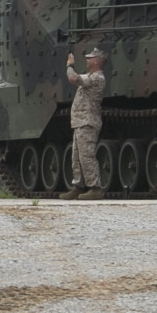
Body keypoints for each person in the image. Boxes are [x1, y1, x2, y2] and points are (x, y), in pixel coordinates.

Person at [59, 47, 107, 201]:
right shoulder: (90, 76)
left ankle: (95, 188)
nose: (87, 60)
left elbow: (73, 79)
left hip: (88, 122)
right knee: (76, 157)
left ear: (97, 61)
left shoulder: (97, 78)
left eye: (90, 58)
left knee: (87, 155)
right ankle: (78, 186)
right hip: (80, 122)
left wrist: (70, 65)